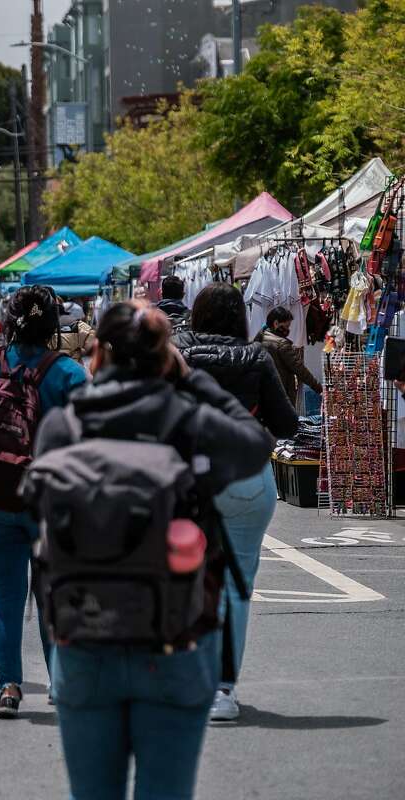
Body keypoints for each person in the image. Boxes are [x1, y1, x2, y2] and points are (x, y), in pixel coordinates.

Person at [36, 300, 272, 800]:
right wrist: (190, 379)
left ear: (96, 354)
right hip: (177, 637)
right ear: (165, 357)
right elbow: (255, 444)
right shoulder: (187, 420)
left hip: (85, 636)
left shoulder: (64, 427)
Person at [0, 285, 88, 717]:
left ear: (6, 323)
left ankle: (7, 687)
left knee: (5, 598)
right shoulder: (69, 375)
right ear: (54, 327)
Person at [173, 283, 298, 722]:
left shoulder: (178, 354)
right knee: (236, 586)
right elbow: (288, 424)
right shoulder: (257, 357)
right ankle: (222, 692)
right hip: (248, 477)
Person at [255, 306, 322, 404]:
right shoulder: (281, 344)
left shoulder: (261, 337)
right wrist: (319, 388)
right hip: (281, 395)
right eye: (286, 326)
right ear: (276, 323)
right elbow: (299, 369)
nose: (288, 330)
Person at [49, 299, 97, 363]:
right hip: (73, 367)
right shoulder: (80, 328)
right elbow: (94, 346)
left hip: (51, 368)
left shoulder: (45, 328)